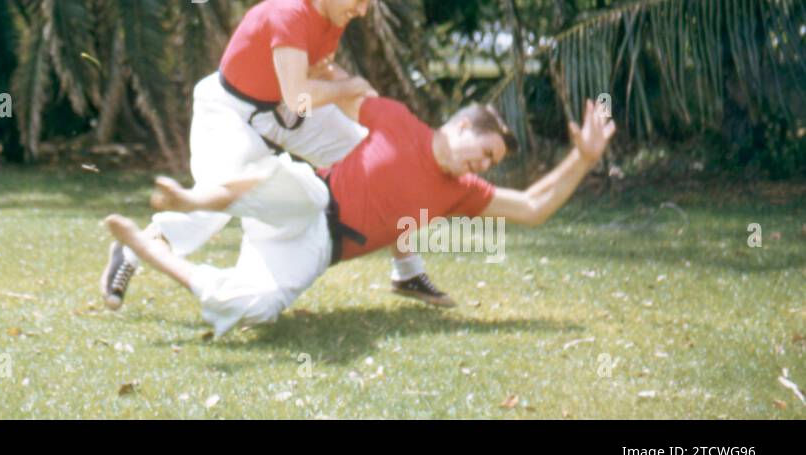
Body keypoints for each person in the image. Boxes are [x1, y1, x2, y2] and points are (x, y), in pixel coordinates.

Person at [100, 0, 456, 310]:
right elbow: (300, 96)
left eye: (369, 2)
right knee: (220, 201)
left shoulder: (334, 13)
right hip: (230, 111)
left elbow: (318, 76)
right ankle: (132, 248)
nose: (363, 11)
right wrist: (348, 87)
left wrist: (374, 109)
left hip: (280, 108)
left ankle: (407, 270)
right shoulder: (289, 13)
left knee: (379, 159)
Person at [104, 96, 615, 338]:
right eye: (481, 152)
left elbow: (532, 206)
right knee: (289, 183)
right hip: (310, 199)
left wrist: (584, 158)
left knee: (255, 307)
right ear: (459, 125)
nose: (481, 166)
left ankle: (148, 249)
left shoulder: (461, 192)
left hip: (318, 249)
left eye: (489, 165)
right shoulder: (397, 121)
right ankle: (190, 203)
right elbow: (337, 86)